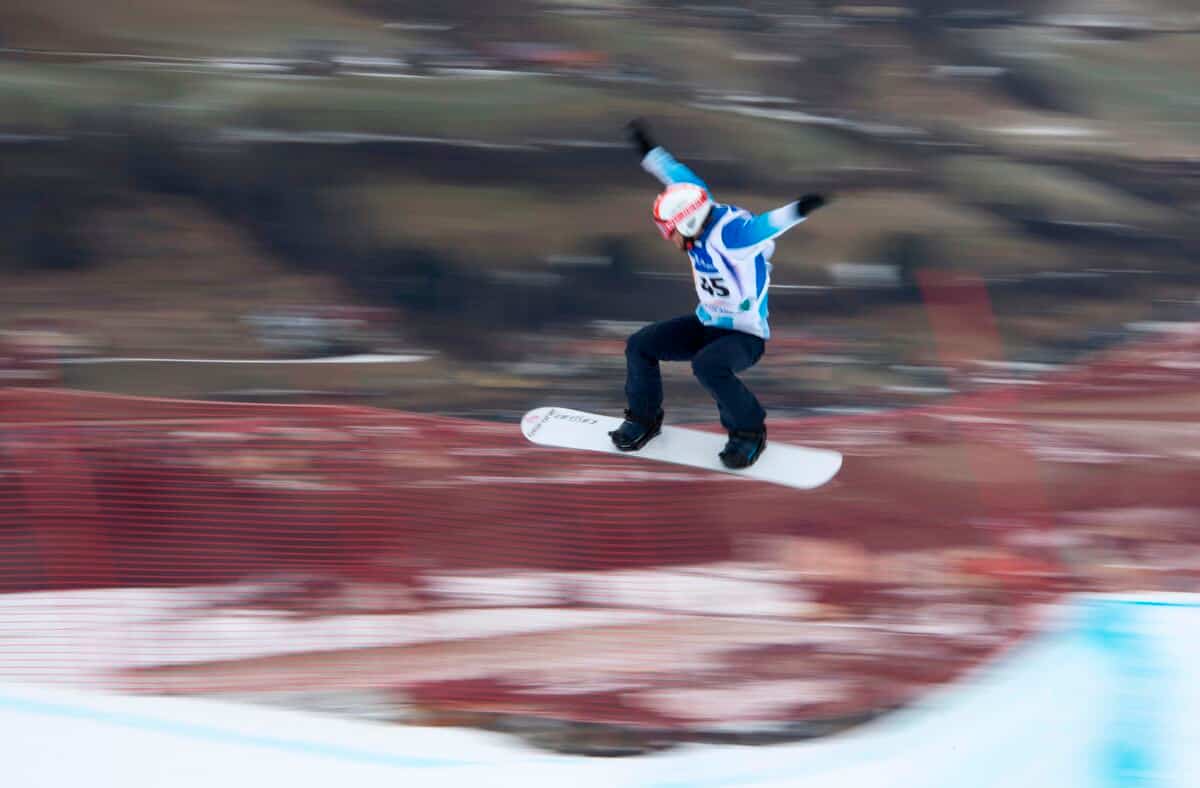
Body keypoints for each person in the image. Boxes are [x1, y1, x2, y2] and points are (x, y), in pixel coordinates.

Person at [609, 118, 829, 469]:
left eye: (672, 232)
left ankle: (748, 432)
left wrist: (803, 207)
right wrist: (646, 148)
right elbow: (673, 173)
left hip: (744, 336)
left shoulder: (731, 237)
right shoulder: (696, 201)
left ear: (689, 223)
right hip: (707, 324)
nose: (671, 239)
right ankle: (643, 419)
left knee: (708, 366)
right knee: (640, 345)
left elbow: (768, 225)